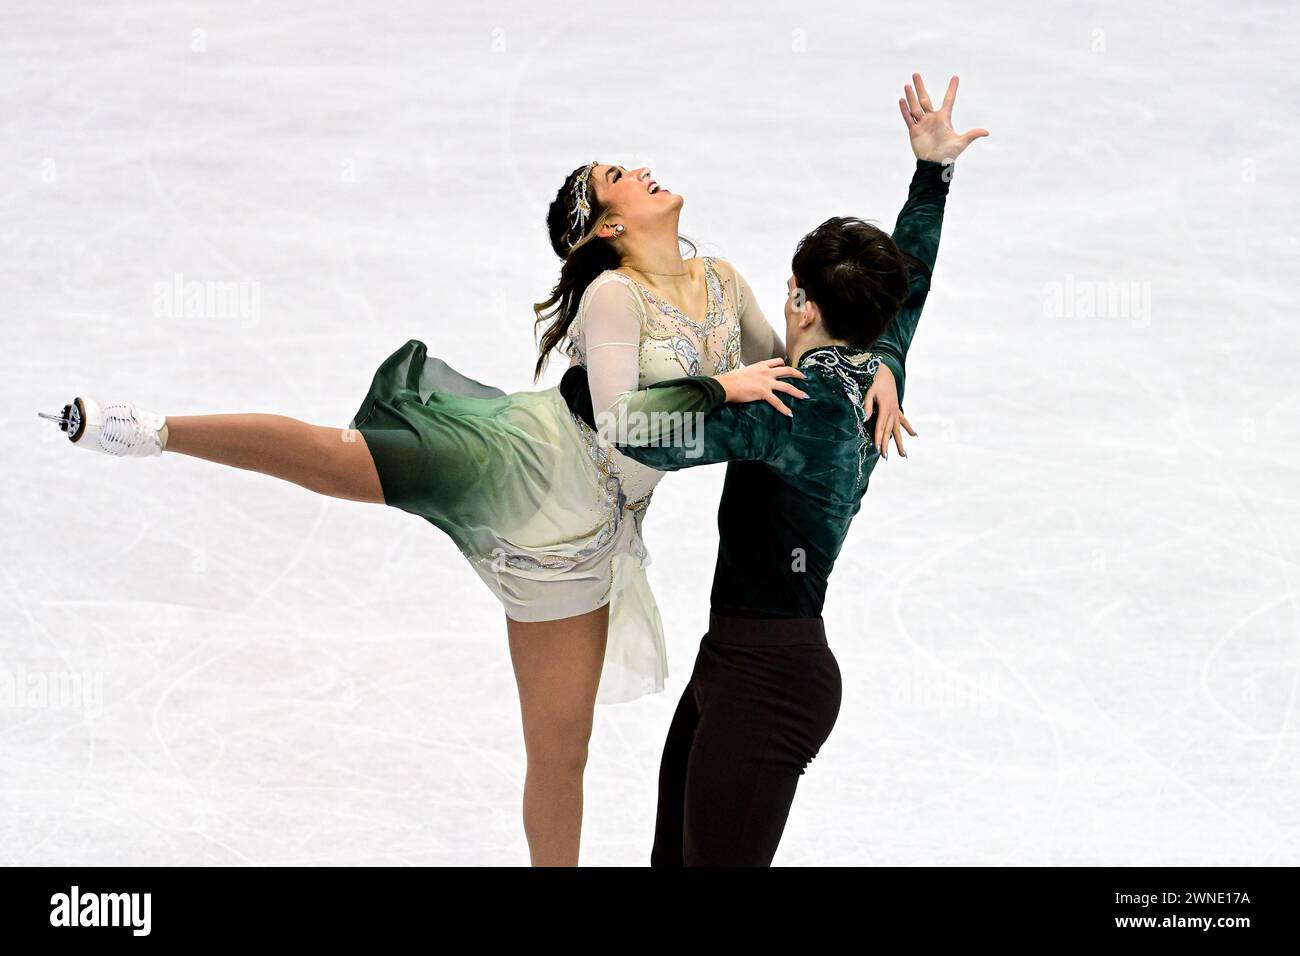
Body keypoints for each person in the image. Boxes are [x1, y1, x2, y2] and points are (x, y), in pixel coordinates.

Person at [40, 143, 908, 865]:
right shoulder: (612, 294)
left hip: (594, 536)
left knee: (561, 755)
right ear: (609, 227)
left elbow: (793, 379)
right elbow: (619, 422)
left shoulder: (722, 283)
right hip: (530, 463)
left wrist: (877, 366)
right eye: (616, 177)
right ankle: (153, 429)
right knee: (342, 460)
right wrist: (725, 383)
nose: (639, 169)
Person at [561, 73, 986, 865]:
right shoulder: (874, 366)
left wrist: (614, 381)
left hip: (770, 681)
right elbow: (912, 280)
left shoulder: (792, 406)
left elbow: (644, 435)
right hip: (738, 664)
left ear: (801, 305)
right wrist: (933, 172)